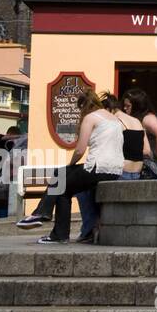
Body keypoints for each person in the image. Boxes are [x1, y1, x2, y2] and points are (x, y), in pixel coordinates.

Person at [38, 91, 123, 245]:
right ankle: (44, 214)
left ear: (84, 106)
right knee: (64, 187)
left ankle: (52, 224)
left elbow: (79, 150)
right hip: (115, 170)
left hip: (98, 168)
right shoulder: (114, 119)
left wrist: (70, 166)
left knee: (60, 176)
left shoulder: (90, 118)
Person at [122, 88, 157, 180]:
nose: (125, 108)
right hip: (141, 169)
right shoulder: (138, 119)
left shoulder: (147, 118)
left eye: (128, 106)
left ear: (137, 106)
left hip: (149, 169)